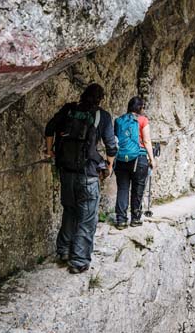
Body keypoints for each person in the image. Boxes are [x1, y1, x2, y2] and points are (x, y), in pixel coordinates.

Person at [45, 83, 117, 273]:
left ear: (82, 95)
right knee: (87, 218)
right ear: (100, 99)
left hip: (66, 172)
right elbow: (111, 146)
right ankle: (78, 261)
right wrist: (108, 167)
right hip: (88, 175)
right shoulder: (102, 116)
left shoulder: (69, 110)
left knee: (69, 210)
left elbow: (50, 127)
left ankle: (63, 251)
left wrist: (50, 150)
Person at [113, 96, 156, 228]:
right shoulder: (142, 120)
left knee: (123, 188)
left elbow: (116, 140)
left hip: (121, 159)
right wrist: (152, 159)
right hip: (139, 158)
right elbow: (147, 141)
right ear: (140, 108)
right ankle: (135, 218)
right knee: (138, 188)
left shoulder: (119, 121)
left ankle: (121, 220)